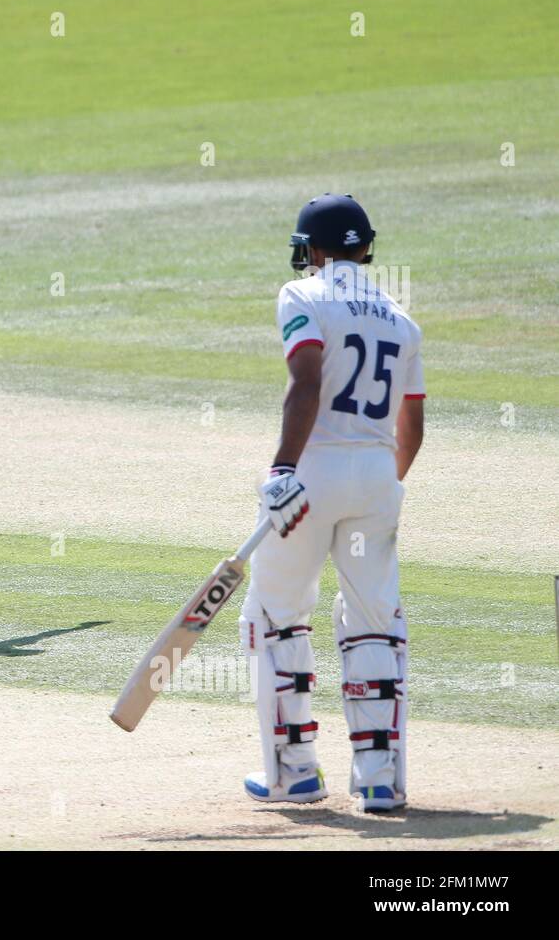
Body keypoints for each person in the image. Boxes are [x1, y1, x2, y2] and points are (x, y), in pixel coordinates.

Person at [240, 194, 425, 813]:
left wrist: (284, 469)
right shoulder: (402, 320)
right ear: (365, 247)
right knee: (374, 622)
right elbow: (413, 424)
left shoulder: (304, 296)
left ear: (312, 251)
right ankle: (380, 780)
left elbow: (306, 382)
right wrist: (377, 488)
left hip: (313, 472)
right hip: (378, 474)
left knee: (276, 615)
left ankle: (295, 772)